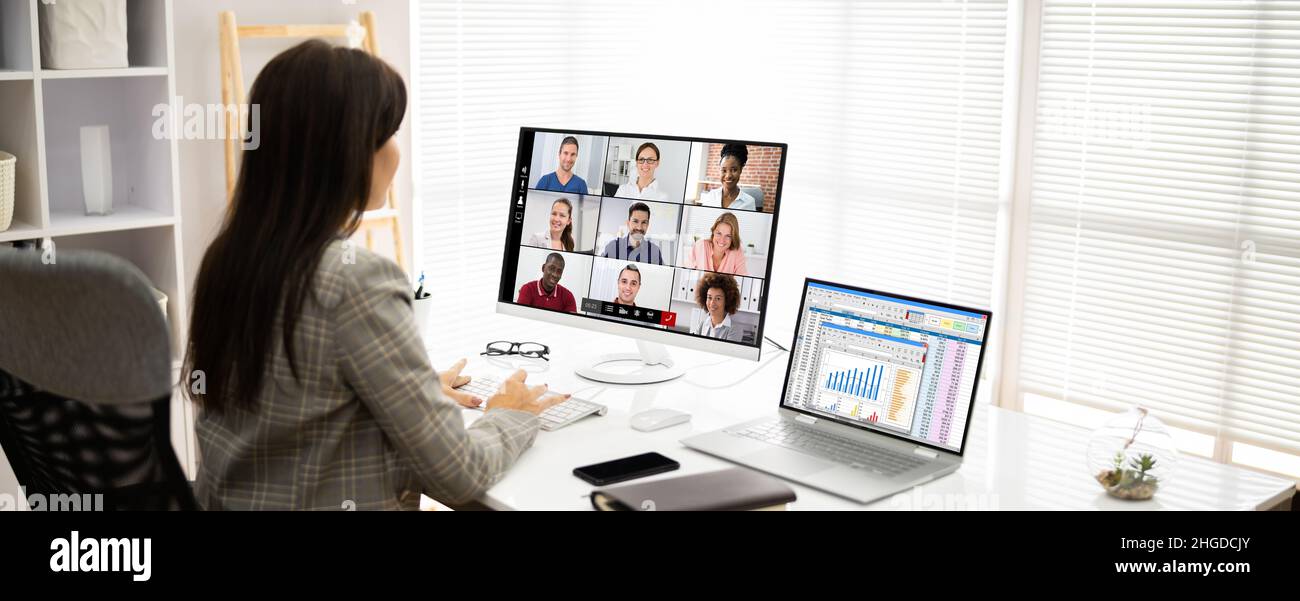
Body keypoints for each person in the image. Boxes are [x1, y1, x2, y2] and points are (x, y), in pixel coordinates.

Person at [183, 40, 565, 511]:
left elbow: (287, 417)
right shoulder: (355, 281)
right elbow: (459, 475)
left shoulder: (229, 260)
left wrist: (409, 395)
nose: (397, 152)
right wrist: (510, 415)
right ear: (349, 150)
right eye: (391, 132)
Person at [600, 202, 665, 264]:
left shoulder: (654, 251)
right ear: (628, 223)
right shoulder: (612, 247)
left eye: (644, 222)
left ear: (647, 225)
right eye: (635, 221)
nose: (639, 227)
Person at [699, 143, 757, 211]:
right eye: (724, 170)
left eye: (734, 170)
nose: (728, 176)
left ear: (740, 170)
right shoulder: (710, 196)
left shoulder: (749, 202)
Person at [692, 272, 742, 341]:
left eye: (718, 298)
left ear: (727, 301)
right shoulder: (702, 325)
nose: (712, 303)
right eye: (709, 297)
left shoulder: (734, 329)